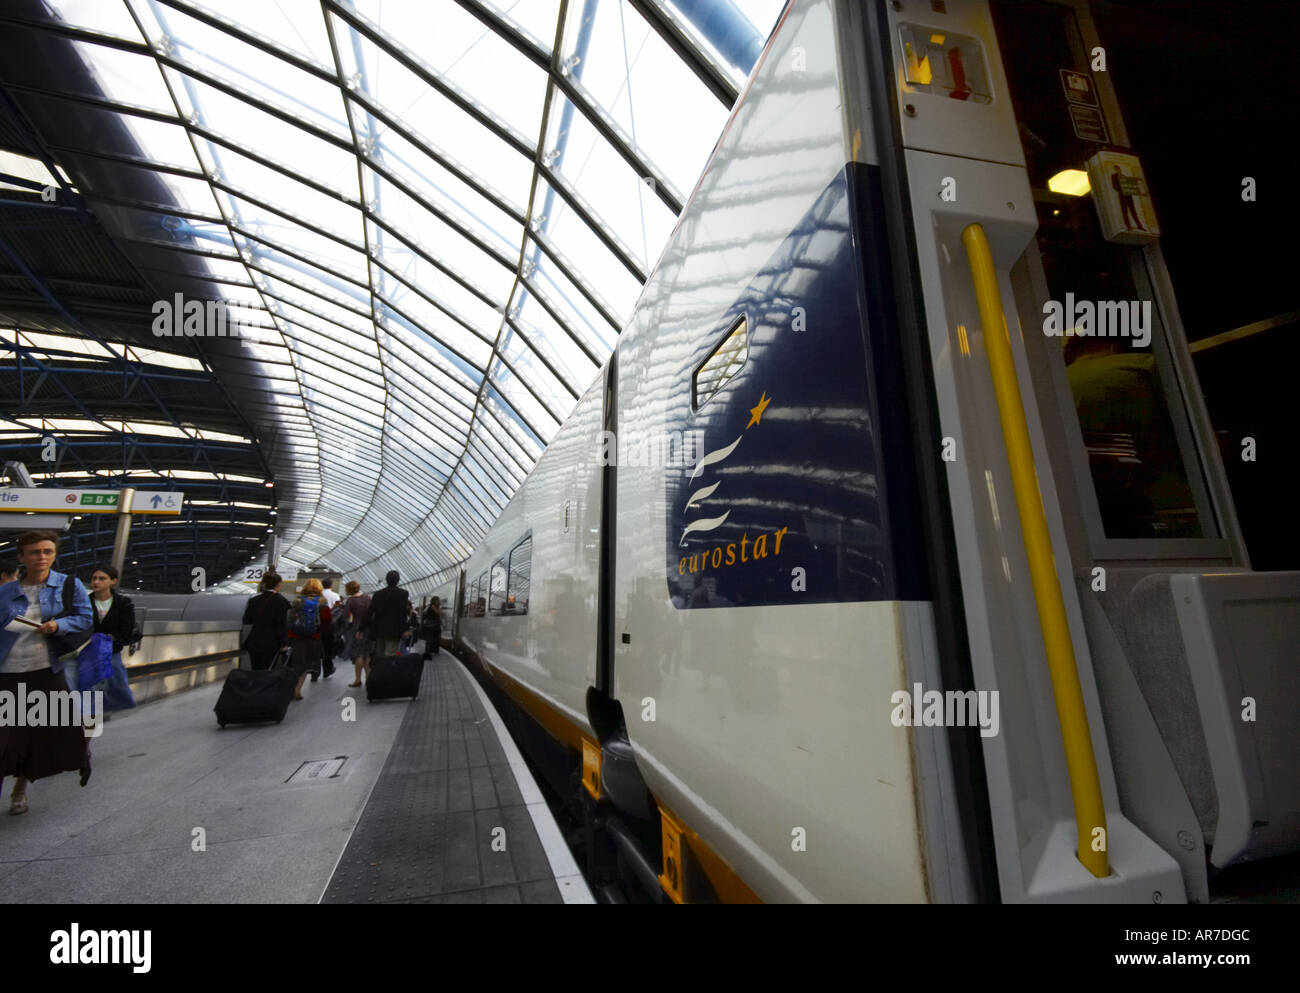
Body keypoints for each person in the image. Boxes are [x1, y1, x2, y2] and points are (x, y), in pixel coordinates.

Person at [0, 530, 94, 815]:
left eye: (47, 552)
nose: (41, 557)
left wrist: (58, 626)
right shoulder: (5, 591)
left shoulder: (68, 584)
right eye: (33, 552)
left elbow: (85, 618)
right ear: (21, 557)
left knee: (41, 736)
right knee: (4, 738)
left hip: (44, 671)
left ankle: (21, 787)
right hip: (7, 672)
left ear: (54, 554)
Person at [87, 565, 136, 717]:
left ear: (113, 581)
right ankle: (92, 714)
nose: (96, 582)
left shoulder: (123, 603)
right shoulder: (84, 602)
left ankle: (103, 709)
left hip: (111, 650)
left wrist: (109, 638)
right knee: (90, 685)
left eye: (102, 578)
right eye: (94, 578)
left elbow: (127, 628)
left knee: (114, 681)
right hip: (88, 651)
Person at [287, 579, 331, 700]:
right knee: (306, 664)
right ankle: (298, 689)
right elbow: (327, 621)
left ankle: (292, 688)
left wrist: (290, 636)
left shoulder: (297, 601)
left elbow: (290, 620)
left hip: (298, 637)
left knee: (297, 663)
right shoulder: (322, 602)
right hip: (314, 637)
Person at [242, 572, 289, 671]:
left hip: (254, 642)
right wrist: (284, 643)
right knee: (268, 671)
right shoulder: (281, 601)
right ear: (278, 584)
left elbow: (246, 620)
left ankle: (255, 686)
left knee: (256, 669)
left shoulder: (253, 600)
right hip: (272, 643)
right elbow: (281, 624)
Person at [359, 570, 410, 660]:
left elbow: (370, 612)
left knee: (380, 654)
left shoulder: (378, 594)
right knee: (390, 655)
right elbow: (402, 613)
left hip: (379, 630)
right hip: (394, 630)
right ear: (398, 580)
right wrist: (405, 629)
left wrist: (361, 629)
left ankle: (381, 672)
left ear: (386, 580)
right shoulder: (403, 593)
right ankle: (387, 673)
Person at [341, 581, 372, 687]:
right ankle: (368, 678)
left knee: (358, 654)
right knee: (367, 654)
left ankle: (358, 679)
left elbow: (345, 615)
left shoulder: (351, 600)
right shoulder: (367, 598)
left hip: (356, 627)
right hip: (368, 627)